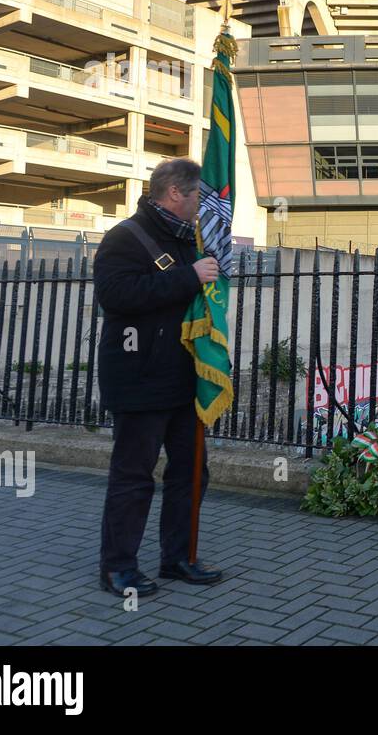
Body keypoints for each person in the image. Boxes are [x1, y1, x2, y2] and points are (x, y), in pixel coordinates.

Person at [94, 157, 224, 596]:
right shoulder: (124, 238)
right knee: (133, 476)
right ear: (175, 194)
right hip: (139, 377)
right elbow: (117, 296)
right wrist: (188, 277)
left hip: (183, 379)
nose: (200, 205)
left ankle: (178, 558)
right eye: (195, 197)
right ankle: (117, 566)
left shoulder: (190, 240)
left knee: (191, 472)